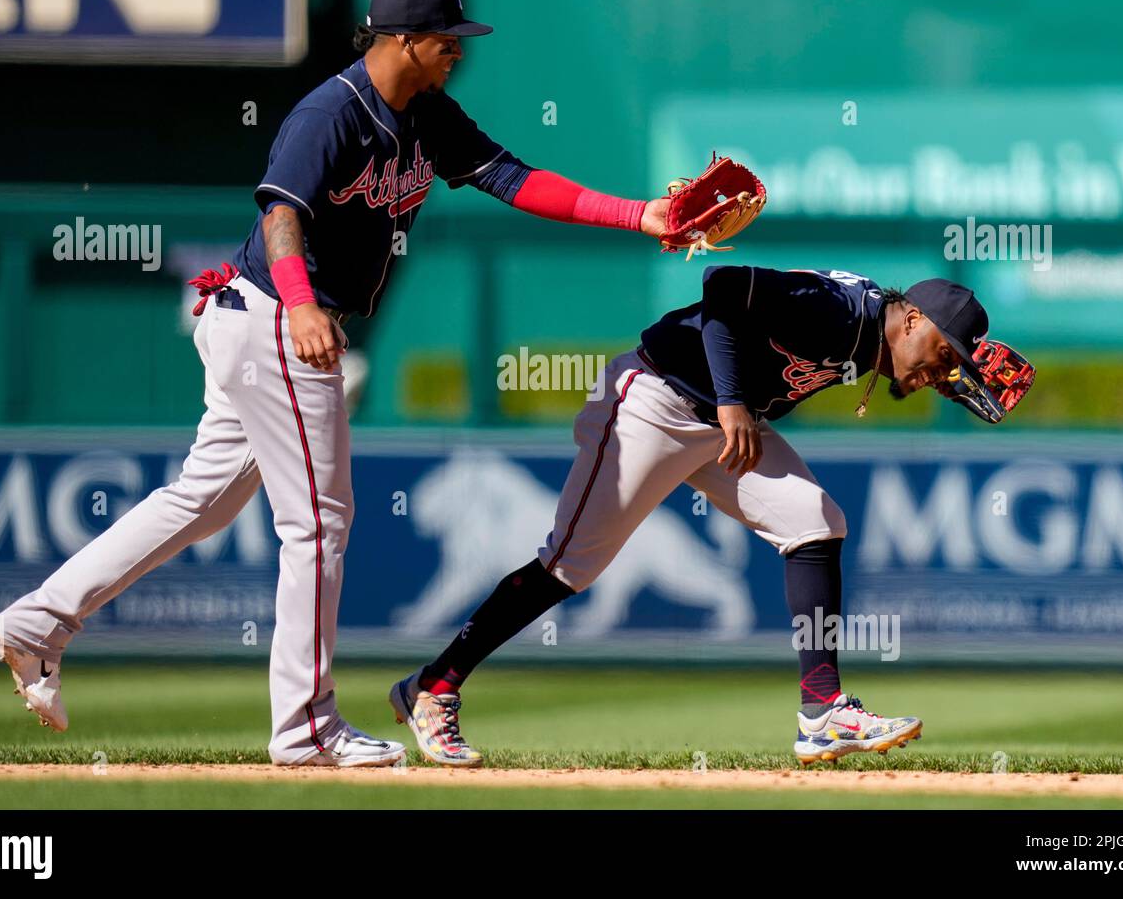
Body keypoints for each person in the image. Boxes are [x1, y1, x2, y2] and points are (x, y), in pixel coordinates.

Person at [0, 0, 669, 767]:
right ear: (404, 40)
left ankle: (38, 624)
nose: (458, 49)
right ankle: (305, 728)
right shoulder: (330, 112)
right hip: (278, 314)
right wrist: (305, 304)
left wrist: (638, 214)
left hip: (263, 320)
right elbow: (282, 213)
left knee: (201, 502)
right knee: (318, 523)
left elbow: (513, 179)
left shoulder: (427, 115)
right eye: (448, 37)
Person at [390, 269, 1003, 766]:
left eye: (952, 366)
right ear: (914, 318)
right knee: (568, 565)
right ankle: (435, 685)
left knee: (816, 520)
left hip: (723, 428)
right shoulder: (842, 310)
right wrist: (735, 402)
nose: (941, 370)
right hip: (654, 402)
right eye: (944, 354)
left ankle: (822, 712)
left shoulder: (883, 333)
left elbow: (898, 367)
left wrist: (943, 375)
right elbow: (723, 288)